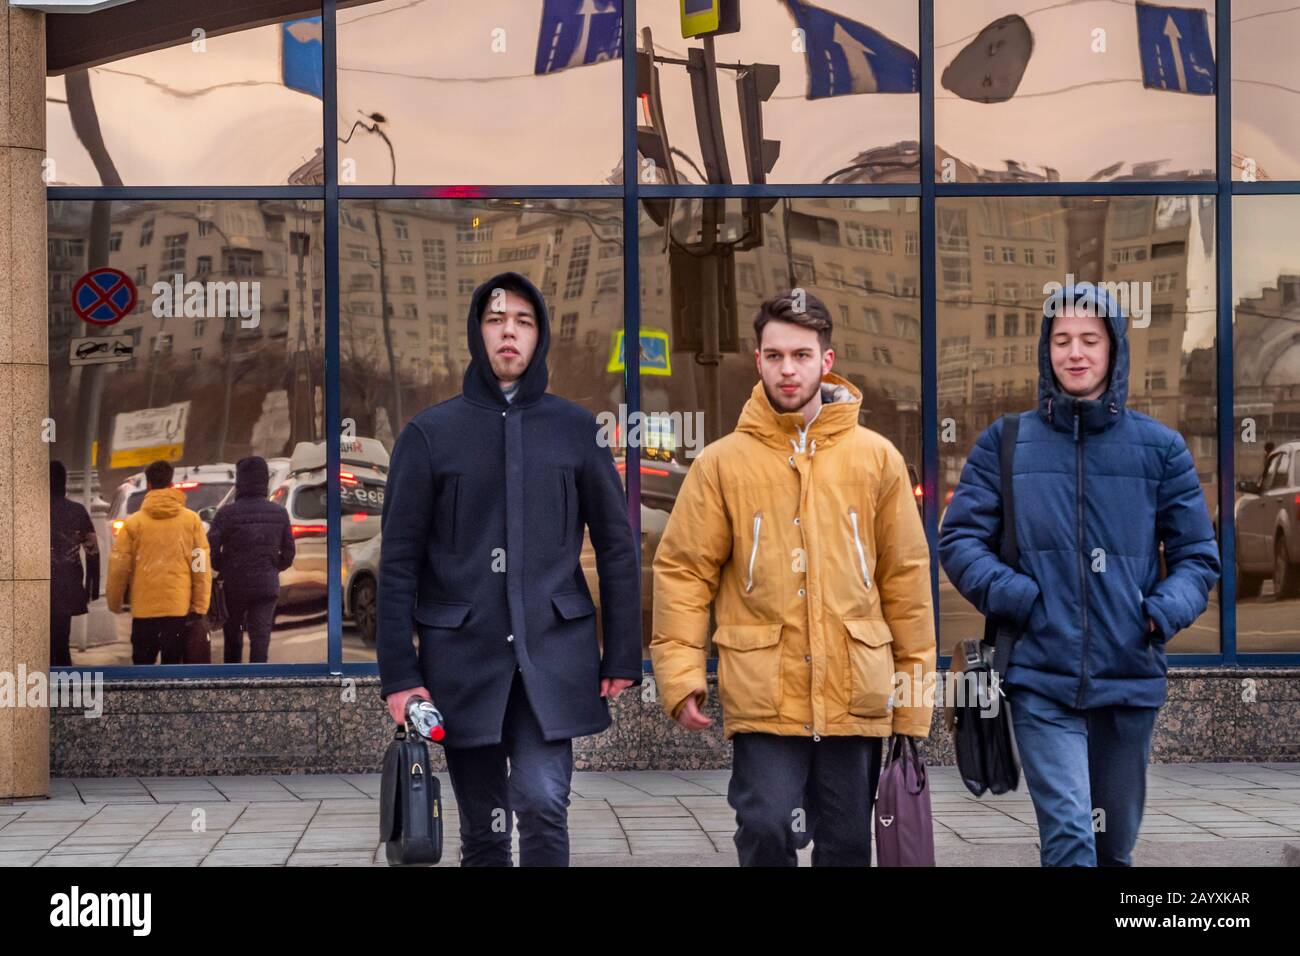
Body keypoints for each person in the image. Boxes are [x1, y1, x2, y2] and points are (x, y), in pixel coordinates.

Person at [650, 291, 936, 867]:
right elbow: (683, 572)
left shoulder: (877, 460)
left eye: (802, 355)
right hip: (764, 686)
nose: (788, 369)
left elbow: (905, 580)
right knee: (764, 825)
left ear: (825, 362)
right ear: (757, 360)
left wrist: (913, 699)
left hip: (854, 688)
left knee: (848, 844)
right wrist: (679, 674)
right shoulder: (722, 464)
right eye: (775, 355)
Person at [938, 288, 1220, 867]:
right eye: (1062, 340)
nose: (1075, 353)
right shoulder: (1005, 442)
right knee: (1069, 836)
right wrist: (1019, 597)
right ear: (1046, 351)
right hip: (1041, 676)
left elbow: (1198, 557)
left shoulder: (1161, 449)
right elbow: (960, 540)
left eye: (1090, 340)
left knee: (1111, 848)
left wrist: (1157, 612)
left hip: (1129, 677)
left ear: (1114, 349)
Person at [376, 270, 642, 867]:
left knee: (544, 802)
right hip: (462, 663)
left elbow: (617, 547)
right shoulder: (428, 435)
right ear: (478, 333)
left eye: (522, 321)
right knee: (485, 831)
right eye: (496, 321)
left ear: (540, 334)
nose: (509, 333)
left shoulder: (577, 430)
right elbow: (396, 567)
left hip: (553, 653)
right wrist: (399, 675)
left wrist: (623, 652)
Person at [106, 459, 212, 664]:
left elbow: (119, 566)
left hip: (144, 611)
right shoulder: (191, 521)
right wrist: (199, 605)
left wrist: (115, 602)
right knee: (171, 670)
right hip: (178, 609)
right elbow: (200, 563)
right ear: (171, 484)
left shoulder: (134, 523)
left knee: (142, 671)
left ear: (149, 485)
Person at [206, 456, 295, 663]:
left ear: (240, 481)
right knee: (261, 638)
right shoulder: (279, 513)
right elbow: (289, 552)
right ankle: (259, 683)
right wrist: (273, 567)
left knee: (233, 637)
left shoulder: (226, 513)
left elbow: (209, 546)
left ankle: (233, 682)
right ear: (264, 481)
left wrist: (221, 566)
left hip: (234, 585)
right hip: (266, 585)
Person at [49, 460, 99, 668]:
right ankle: (61, 692)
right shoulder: (77, 511)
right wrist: (92, 588)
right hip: (67, 584)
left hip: (33, 586)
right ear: (65, 482)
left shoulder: (26, 511)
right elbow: (92, 549)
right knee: (61, 640)